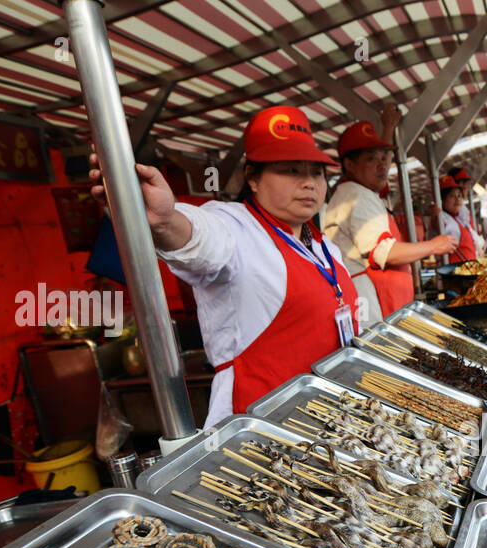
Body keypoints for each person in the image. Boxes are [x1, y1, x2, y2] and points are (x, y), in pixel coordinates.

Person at [88, 105, 361, 429]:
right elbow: (202, 238)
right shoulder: (237, 227)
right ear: (252, 178)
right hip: (265, 427)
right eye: (290, 170)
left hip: (332, 414)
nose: (309, 183)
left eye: (316, 172)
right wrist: (165, 220)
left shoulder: (324, 246)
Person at [323, 109, 456, 327]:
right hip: (373, 307)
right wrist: (433, 246)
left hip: (384, 301)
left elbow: (381, 168)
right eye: (371, 158)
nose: (382, 164)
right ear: (349, 165)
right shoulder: (355, 195)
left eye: (383, 157)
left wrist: (389, 128)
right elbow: (385, 252)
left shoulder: (362, 192)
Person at [445, 165, 486, 256]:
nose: (459, 197)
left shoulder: (460, 210)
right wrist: (478, 246)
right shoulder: (453, 213)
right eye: (452, 195)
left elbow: (468, 232)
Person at [437, 175, 477, 263]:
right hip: (456, 272)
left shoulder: (458, 219)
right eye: (452, 196)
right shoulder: (441, 219)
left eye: (459, 195)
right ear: (442, 200)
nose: (457, 199)